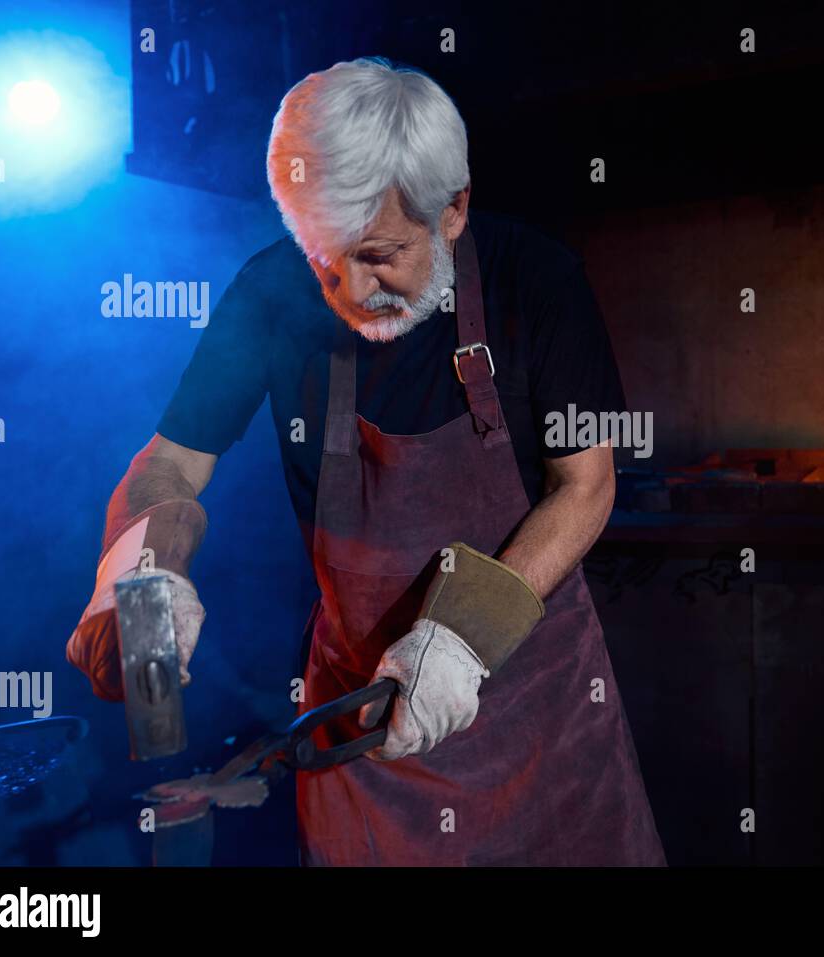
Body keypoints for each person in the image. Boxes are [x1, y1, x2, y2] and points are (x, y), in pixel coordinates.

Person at [67, 57, 665, 866]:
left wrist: (459, 640)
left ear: (451, 209)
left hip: (538, 722)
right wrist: (138, 572)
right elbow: (170, 464)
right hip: (357, 738)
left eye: (380, 253)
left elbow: (585, 486)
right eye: (325, 259)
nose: (350, 289)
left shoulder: (540, 281)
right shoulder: (271, 293)